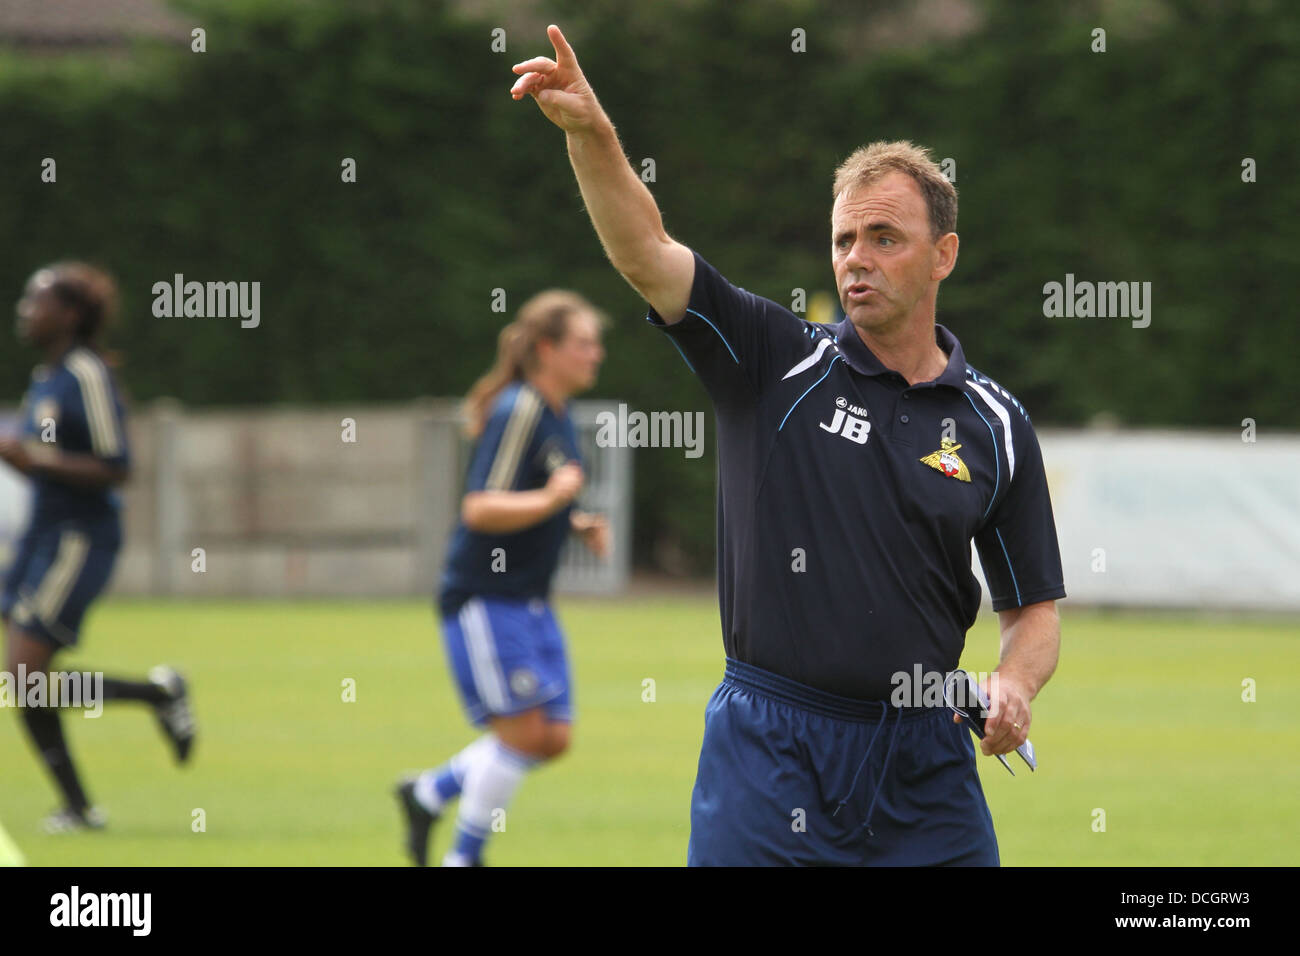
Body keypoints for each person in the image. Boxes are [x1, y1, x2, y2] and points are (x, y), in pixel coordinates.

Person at [510, 25, 1066, 866]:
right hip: (771, 752)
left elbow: (1032, 611)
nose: (857, 259)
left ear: (943, 254)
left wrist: (1015, 686)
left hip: (925, 760)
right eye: (844, 239)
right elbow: (646, 253)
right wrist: (592, 134)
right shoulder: (774, 359)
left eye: (885, 238)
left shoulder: (996, 423)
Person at [396, 289, 609, 867]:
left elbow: (537, 500)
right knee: (521, 734)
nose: (597, 355)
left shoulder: (558, 414)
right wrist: (551, 500)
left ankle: (428, 793)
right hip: (486, 596)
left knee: (553, 737)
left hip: (530, 599)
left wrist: (577, 520)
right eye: (584, 344)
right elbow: (480, 508)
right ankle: (463, 857)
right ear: (547, 349)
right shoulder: (521, 409)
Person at [0, 263, 196, 833]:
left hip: (79, 539)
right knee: (23, 682)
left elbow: (117, 467)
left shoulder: (86, 373)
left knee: (23, 676)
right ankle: (151, 702)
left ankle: (85, 802)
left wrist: (35, 460)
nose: (24, 310)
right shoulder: (47, 376)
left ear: (71, 314)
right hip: (41, 537)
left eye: (36, 300)